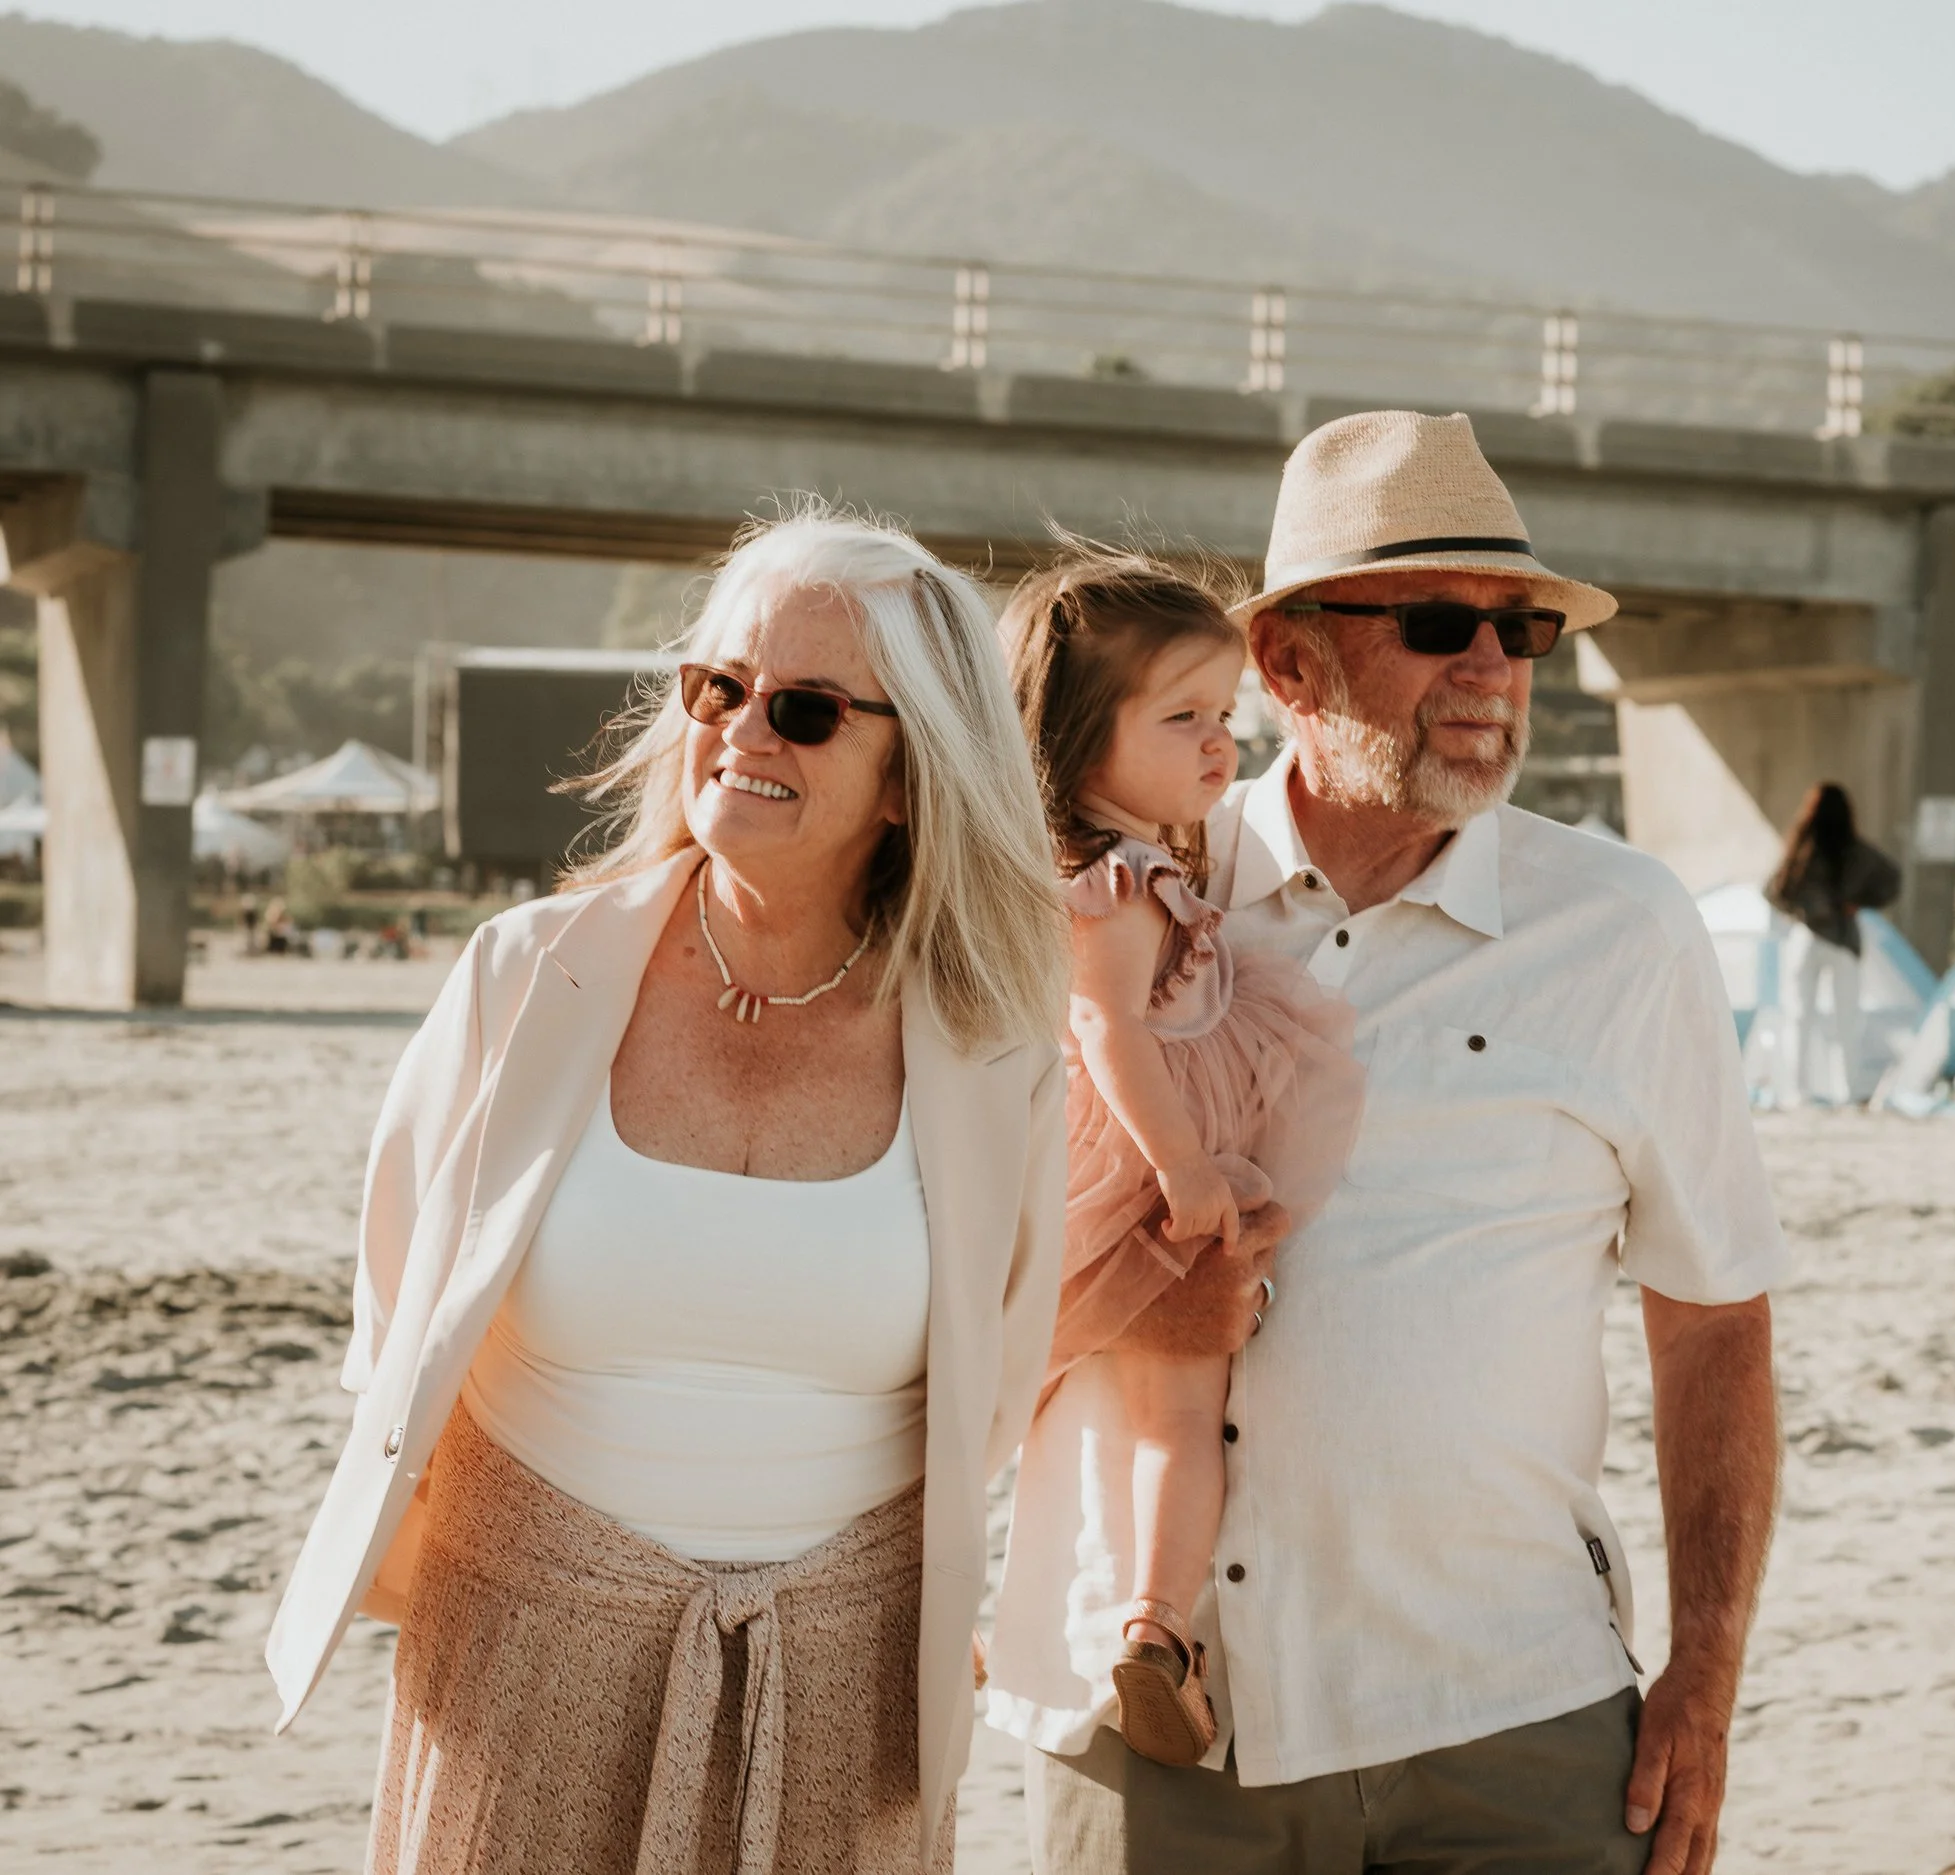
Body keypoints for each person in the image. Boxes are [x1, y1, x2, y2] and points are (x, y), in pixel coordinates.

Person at [990, 411, 1788, 1875]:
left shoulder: (1625, 928)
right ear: (1289, 662)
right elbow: (921, 1237)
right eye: (1437, 623)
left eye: (1522, 629)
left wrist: (1706, 1675)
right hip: (1153, 1715)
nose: (1491, 667)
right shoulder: (1111, 890)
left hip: (1514, 1720)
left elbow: (1716, 1319)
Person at [263, 509, 1070, 1875]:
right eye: (721, 687)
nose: (747, 728)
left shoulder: (995, 1046)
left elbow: (997, 1379)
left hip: (850, 1671)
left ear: (907, 778)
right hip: (519, 1645)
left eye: (807, 708)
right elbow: (398, 1309)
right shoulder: (526, 975)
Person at [995, 552, 1363, 1768]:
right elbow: (1104, 1024)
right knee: (1180, 1419)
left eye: (1226, 717)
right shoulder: (1120, 879)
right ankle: (1156, 1632)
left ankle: (1006, 1617)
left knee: (1034, 1393)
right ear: (1081, 739)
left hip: (1088, 1173)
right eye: (1183, 720)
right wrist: (1188, 1170)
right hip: (1152, 1180)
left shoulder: (1083, 869)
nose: (1221, 747)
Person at [1764, 781, 1899, 1107]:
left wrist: (1799, 910)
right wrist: (1858, 902)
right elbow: (1892, 880)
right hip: (1843, 939)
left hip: (1807, 937)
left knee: (1799, 1017)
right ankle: (1846, 1092)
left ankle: (1797, 1093)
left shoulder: (1801, 849)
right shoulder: (1856, 850)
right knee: (1846, 1019)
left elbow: (1773, 890)